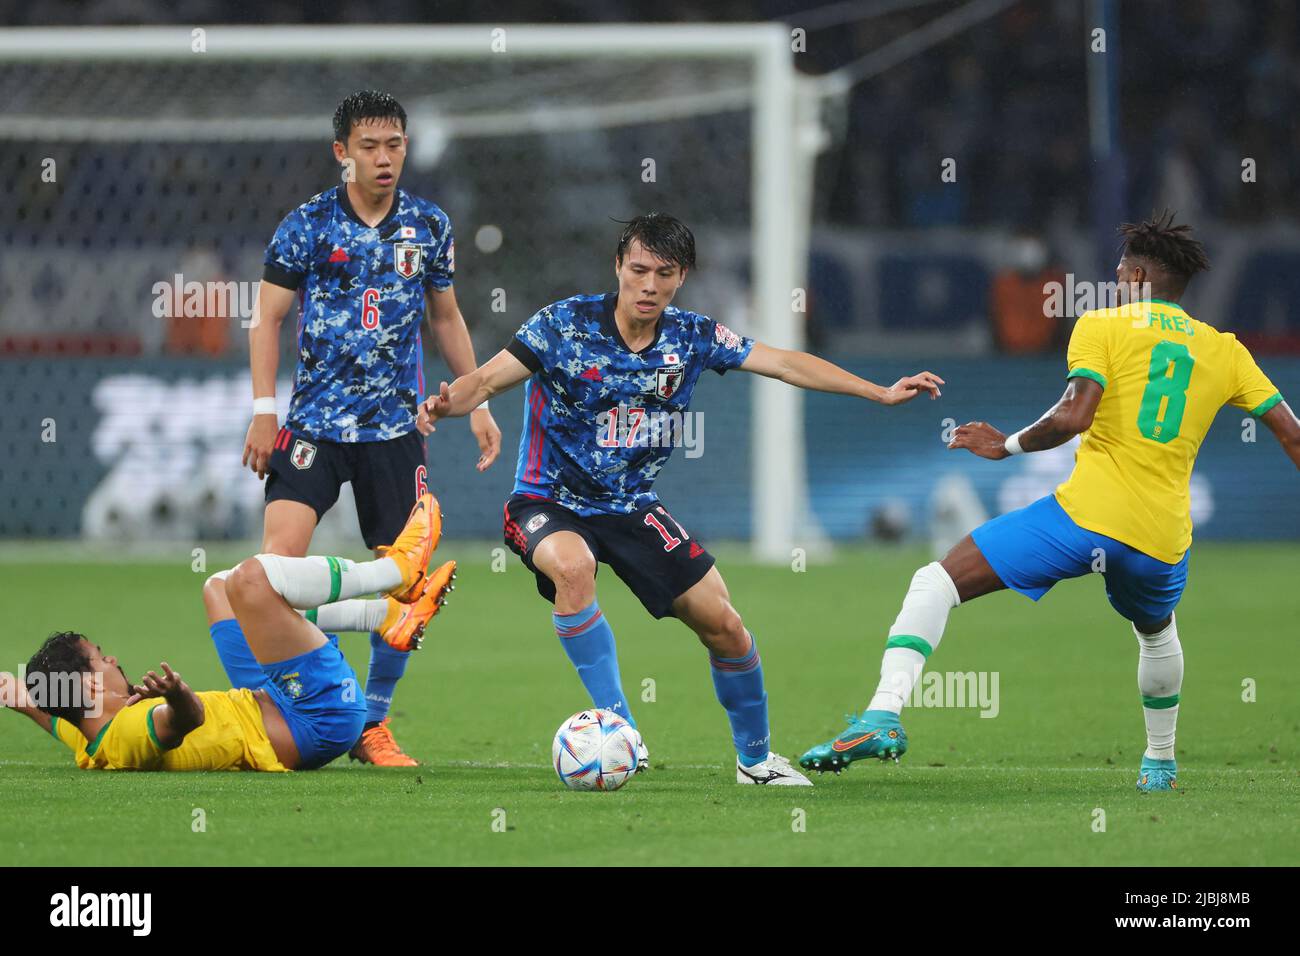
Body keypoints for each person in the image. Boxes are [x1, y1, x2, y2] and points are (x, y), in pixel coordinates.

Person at [417, 213, 943, 785]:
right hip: (548, 499)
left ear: (681, 276)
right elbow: (488, 381)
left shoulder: (692, 337)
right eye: (638, 269)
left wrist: (878, 391)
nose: (648, 285)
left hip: (633, 504)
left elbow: (786, 362)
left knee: (726, 626)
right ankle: (621, 729)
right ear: (618, 265)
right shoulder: (562, 325)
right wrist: (448, 405)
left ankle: (756, 760)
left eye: (662, 273)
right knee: (574, 569)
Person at [799, 212, 1300, 791]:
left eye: (1118, 272)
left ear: (1137, 275)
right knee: (1157, 632)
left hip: (1083, 519)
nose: (1113, 281)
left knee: (936, 582)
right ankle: (1159, 764)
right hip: (1161, 536)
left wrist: (1005, 445)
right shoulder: (1226, 350)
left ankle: (883, 714)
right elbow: (1290, 433)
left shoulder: (1103, 327)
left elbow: (1073, 416)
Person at [241, 91, 501, 765]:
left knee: (407, 584)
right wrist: (265, 412)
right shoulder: (306, 226)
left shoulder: (429, 226)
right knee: (274, 575)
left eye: (395, 145)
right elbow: (265, 319)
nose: (384, 159)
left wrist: (477, 401)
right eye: (369, 147)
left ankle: (370, 725)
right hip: (313, 428)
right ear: (342, 153)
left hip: (394, 429)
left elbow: (446, 318)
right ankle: (302, 706)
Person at [3, 495, 451, 772]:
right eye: (101, 658)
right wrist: (177, 694)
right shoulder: (129, 732)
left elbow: (43, 706)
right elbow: (185, 721)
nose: (114, 659)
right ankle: (394, 572)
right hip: (318, 719)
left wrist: (14, 692)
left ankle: (385, 618)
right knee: (252, 581)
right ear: (90, 684)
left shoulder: (88, 736)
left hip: (266, 703)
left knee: (219, 587)